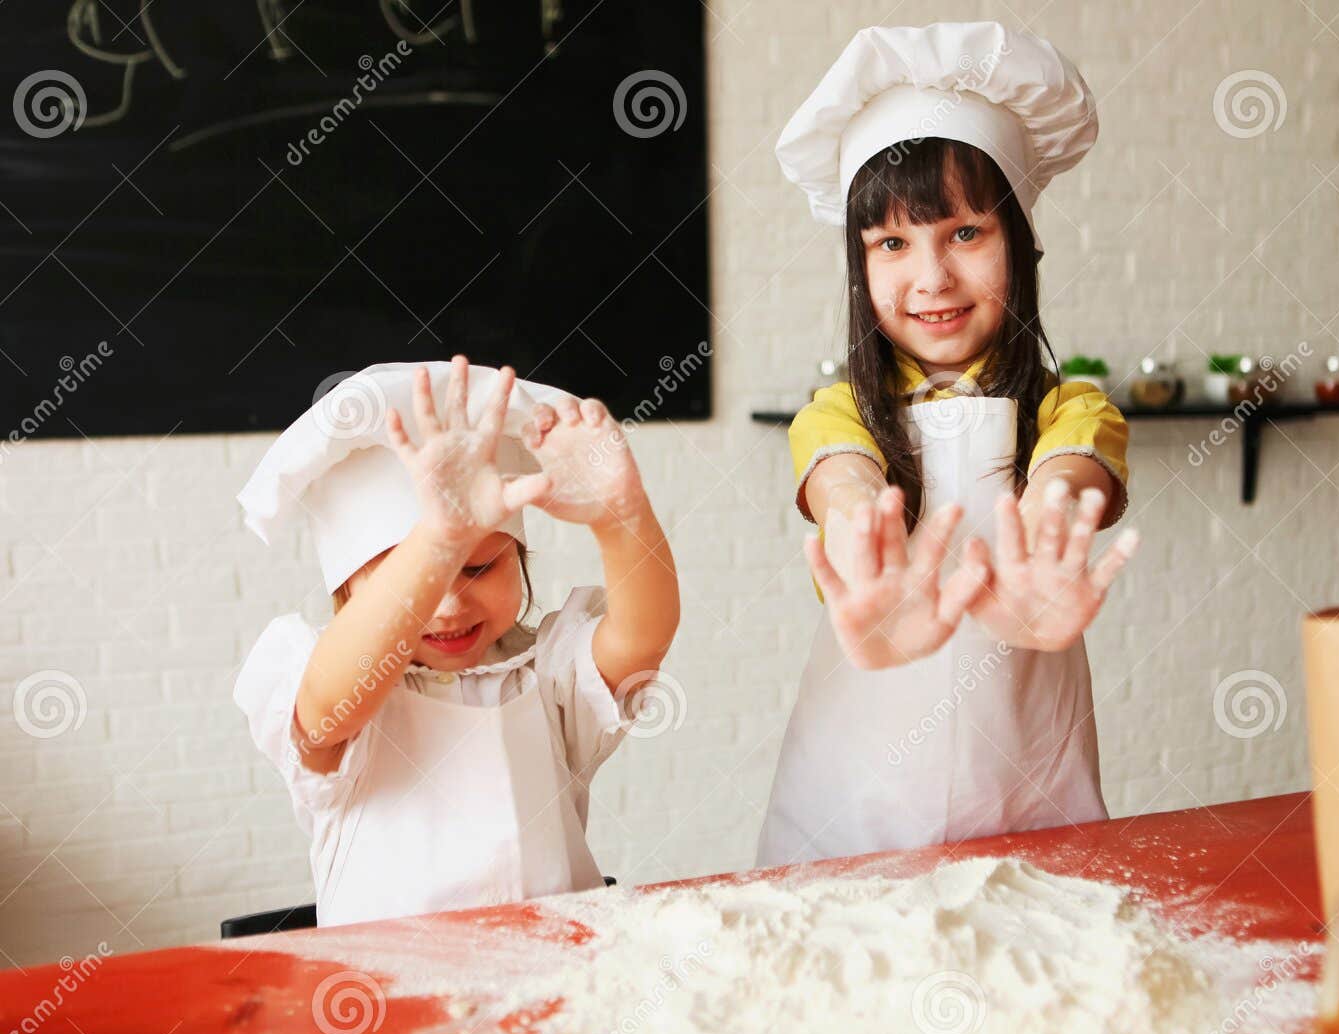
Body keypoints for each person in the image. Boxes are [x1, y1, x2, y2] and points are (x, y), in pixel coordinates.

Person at [758, 22, 1140, 867]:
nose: (930, 278)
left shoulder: (1069, 410)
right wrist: (868, 543)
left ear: (1022, 244)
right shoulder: (838, 415)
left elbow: (1073, 472)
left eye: (965, 233)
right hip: (853, 809)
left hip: (1030, 796)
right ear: (859, 268)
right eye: (892, 243)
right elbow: (841, 481)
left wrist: (1044, 528)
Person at [233, 356, 679, 924]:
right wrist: (440, 537)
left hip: (553, 973)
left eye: (476, 569)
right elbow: (324, 714)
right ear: (350, 593)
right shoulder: (342, 690)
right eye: (420, 581)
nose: (448, 605)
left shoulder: (545, 676)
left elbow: (642, 640)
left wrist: (622, 516)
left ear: (519, 560)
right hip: (386, 991)